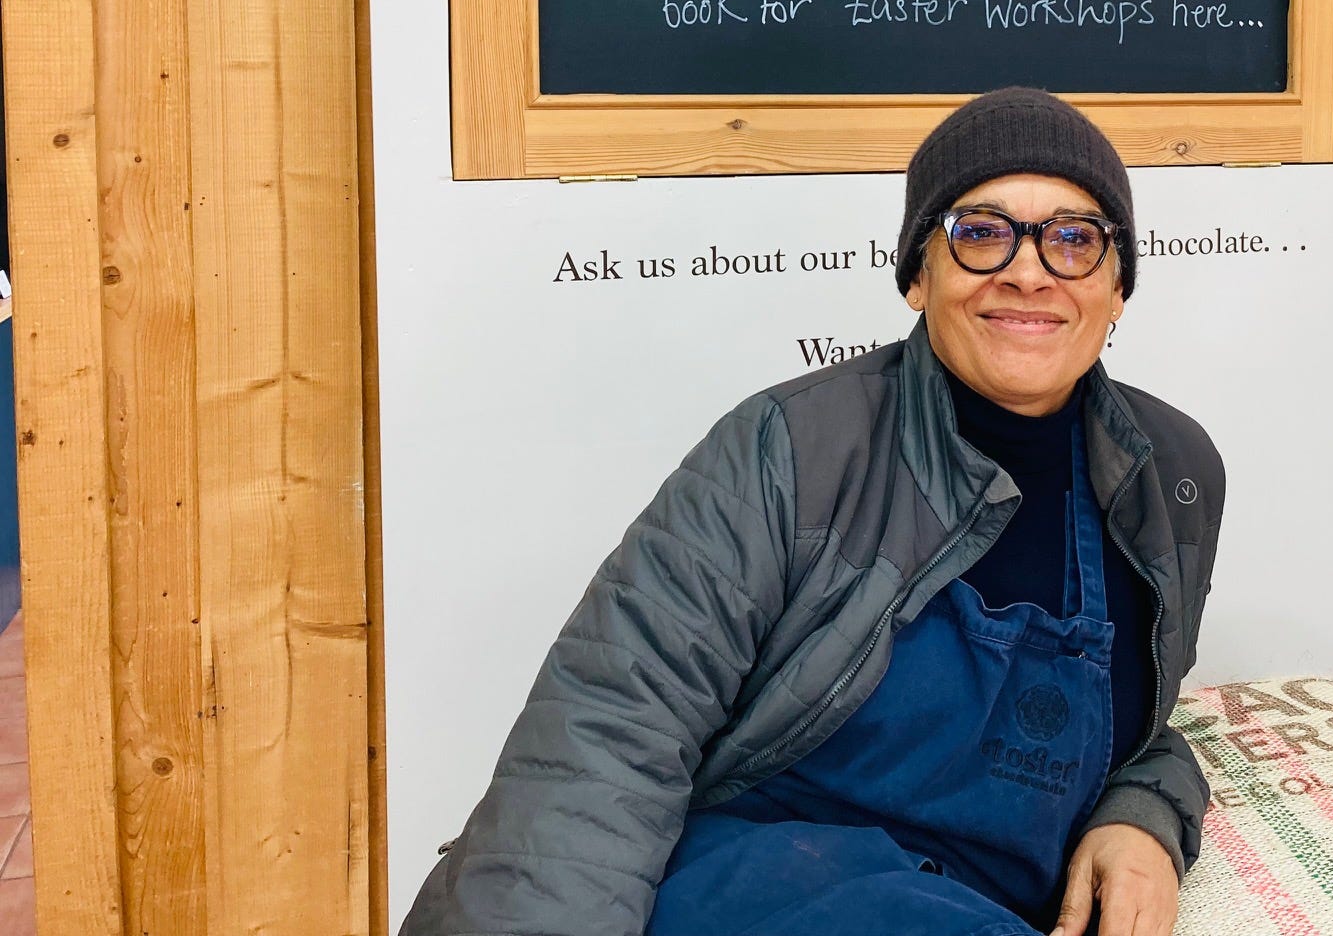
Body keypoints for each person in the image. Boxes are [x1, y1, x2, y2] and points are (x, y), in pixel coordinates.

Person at [403, 88, 1226, 936]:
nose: (1028, 270)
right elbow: (608, 731)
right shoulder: (783, 449)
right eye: (980, 233)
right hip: (754, 879)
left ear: (1118, 286)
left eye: (1073, 239)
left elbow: (1138, 727)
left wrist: (1143, 812)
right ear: (917, 275)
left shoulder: (1174, 473)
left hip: (975, 905)